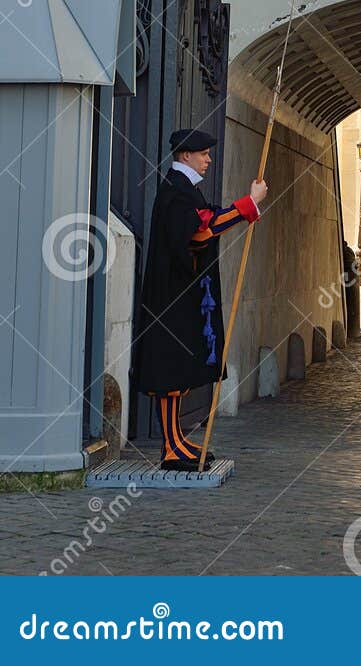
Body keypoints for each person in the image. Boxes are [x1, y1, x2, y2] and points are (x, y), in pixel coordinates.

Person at [134, 129, 267, 469]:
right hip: (170, 296)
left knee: (179, 368)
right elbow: (202, 229)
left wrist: (242, 209)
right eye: (203, 154)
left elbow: (206, 221)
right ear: (185, 156)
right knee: (170, 369)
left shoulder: (184, 190)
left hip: (181, 292)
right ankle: (170, 447)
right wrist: (248, 205)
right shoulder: (177, 193)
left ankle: (176, 440)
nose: (209, 159)